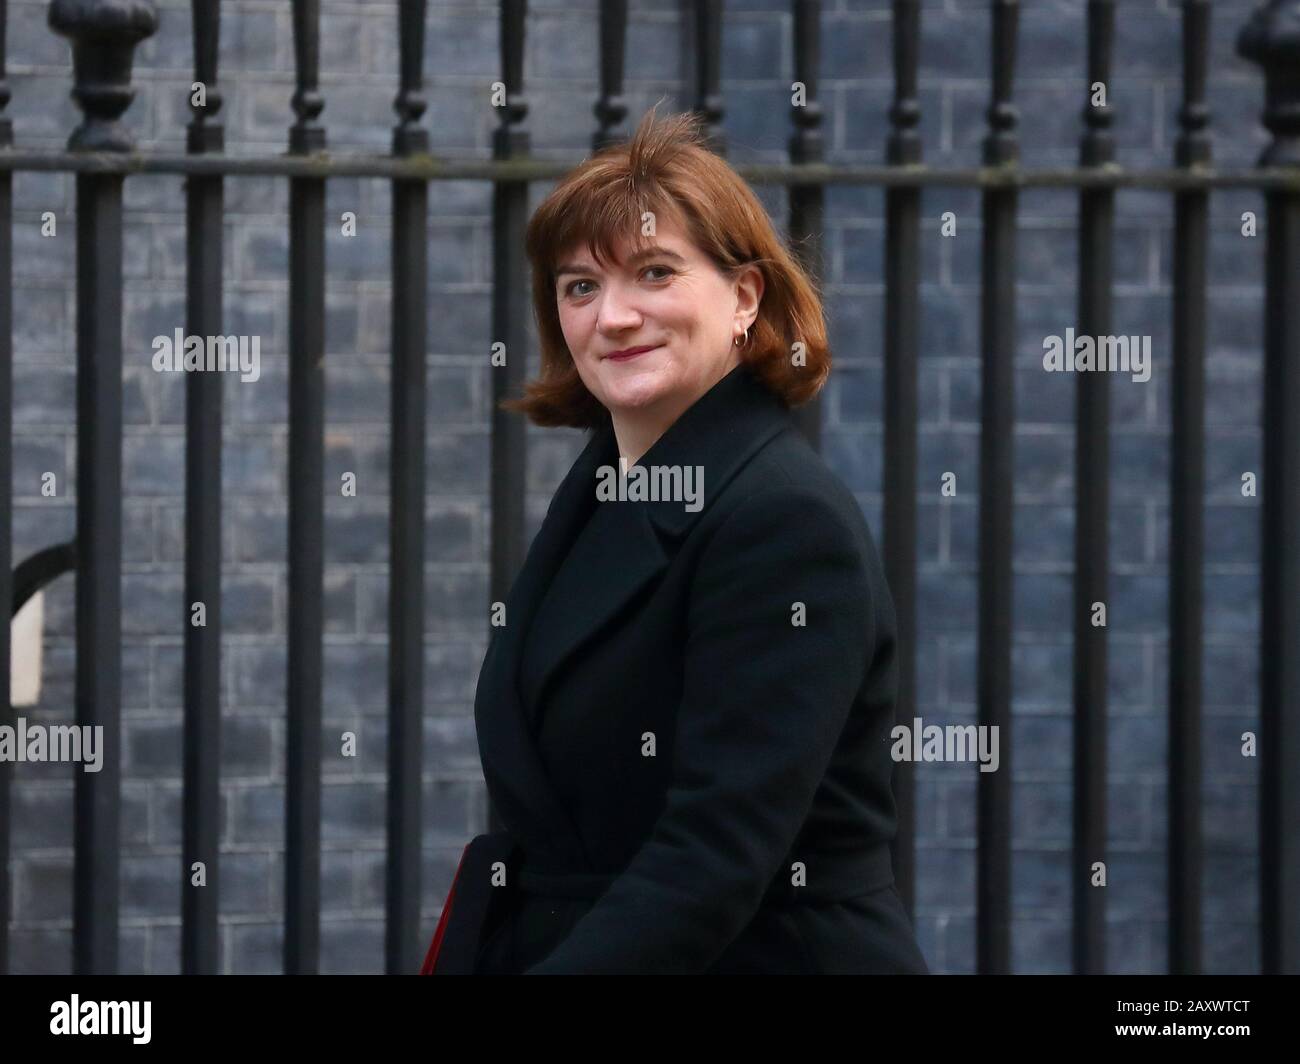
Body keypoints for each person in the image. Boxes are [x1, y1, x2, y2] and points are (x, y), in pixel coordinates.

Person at [422, 104, 928, 975]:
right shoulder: (604, 490)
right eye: (580, 286)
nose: (612, 316)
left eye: (653, 273)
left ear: (743, 297)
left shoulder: (781, 521)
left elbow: (712, 859)